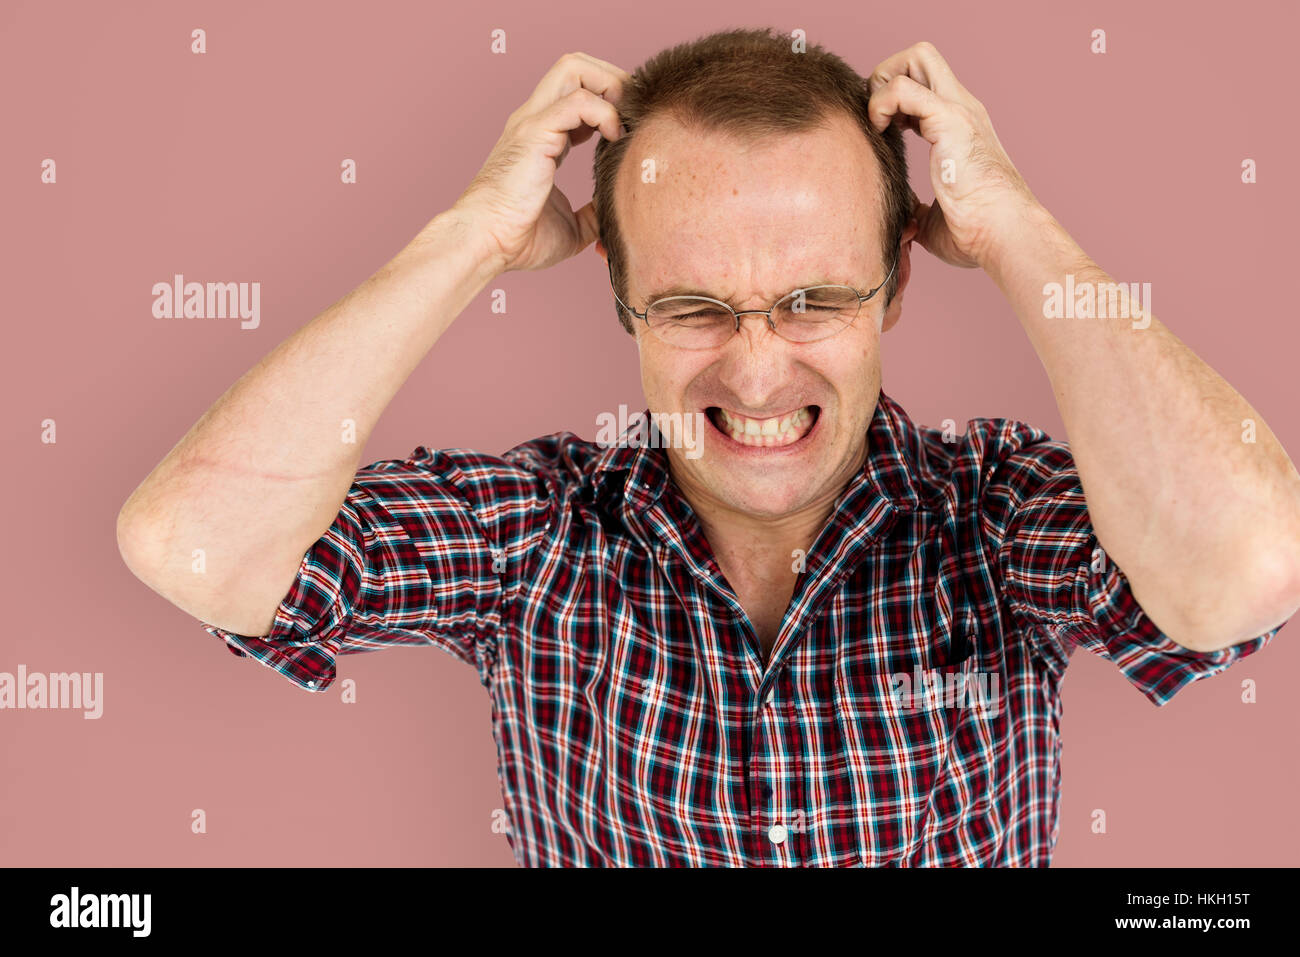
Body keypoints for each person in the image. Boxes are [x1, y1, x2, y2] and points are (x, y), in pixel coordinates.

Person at [116, 28, 1300, 866]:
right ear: (620, 301)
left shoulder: (991, 513)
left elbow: (1244, 563)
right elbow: (194, 543)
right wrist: (466, 239)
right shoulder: (534, 536)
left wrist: (1018, 234)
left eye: (813, 298)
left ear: (894, 288)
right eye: (692, 308)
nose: (755, 368)